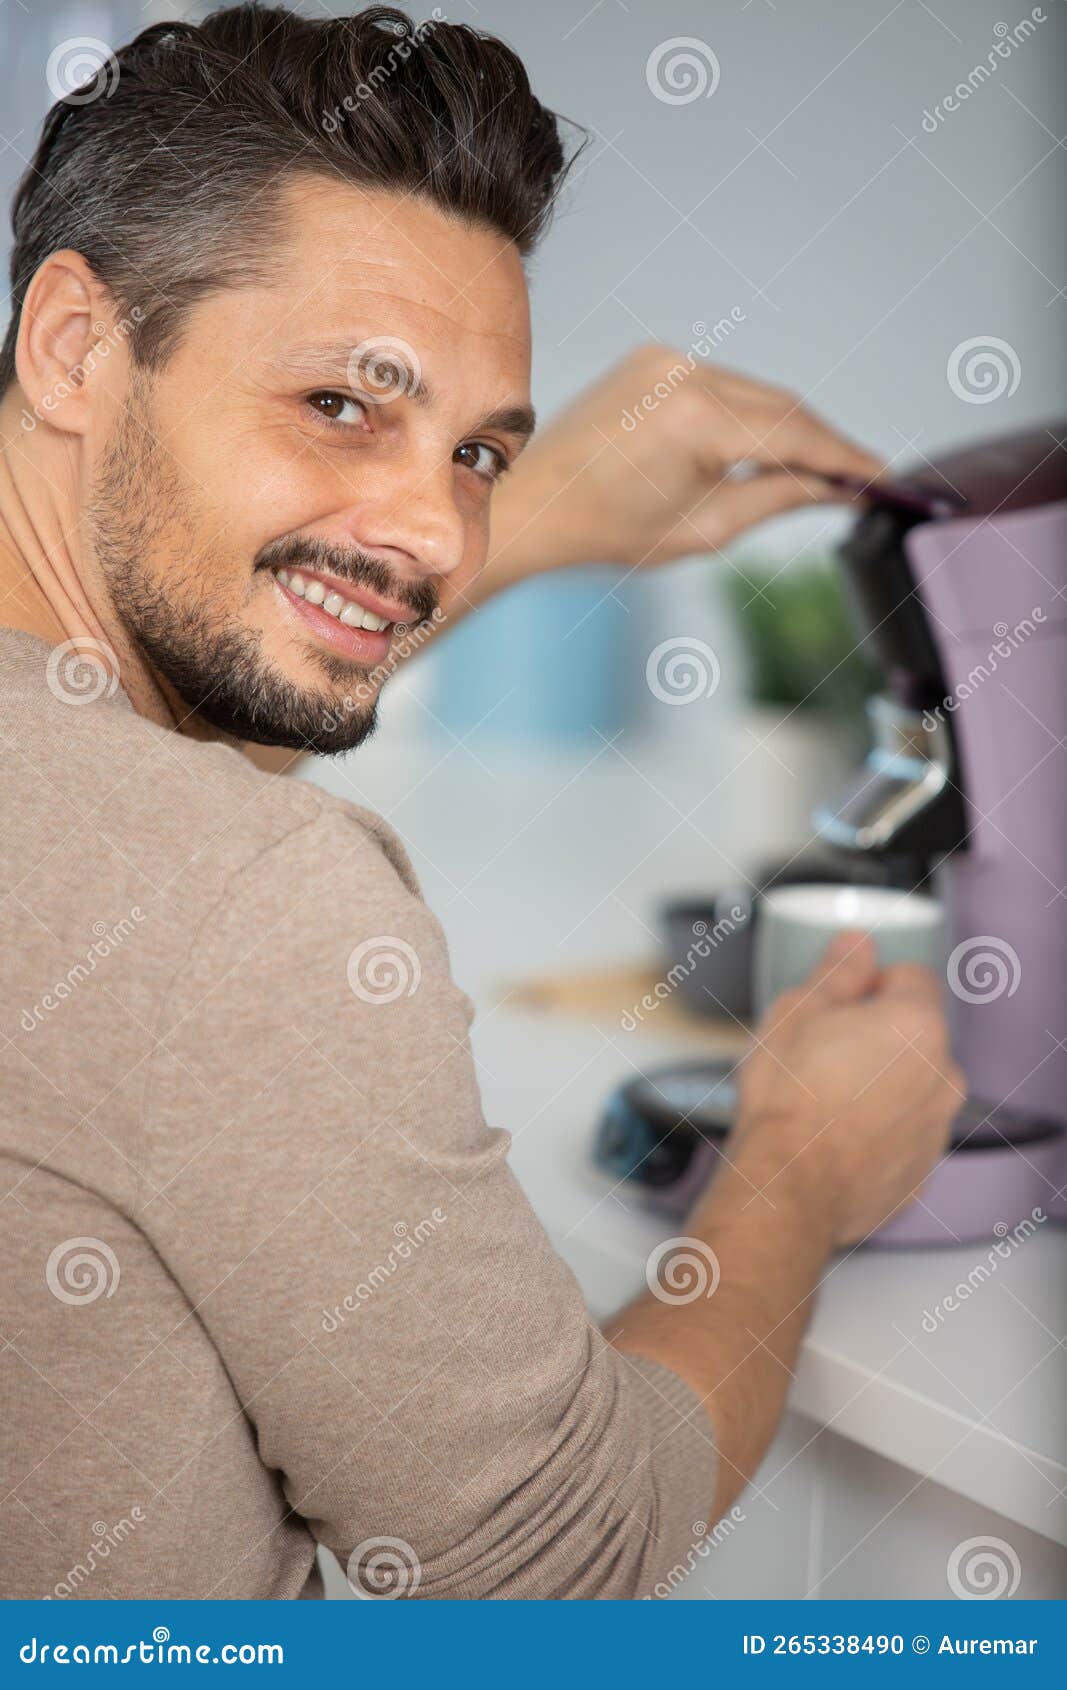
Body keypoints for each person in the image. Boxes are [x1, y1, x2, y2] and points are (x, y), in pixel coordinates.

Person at [0, 5, 963, 1600]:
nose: (442, 536)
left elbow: (106, 823)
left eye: (480, 456)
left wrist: (552, 505)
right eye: (342, 404)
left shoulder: (129, 853)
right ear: (74, 347)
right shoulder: (251, 906)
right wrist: (799, 1162)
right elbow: (559, 1566)